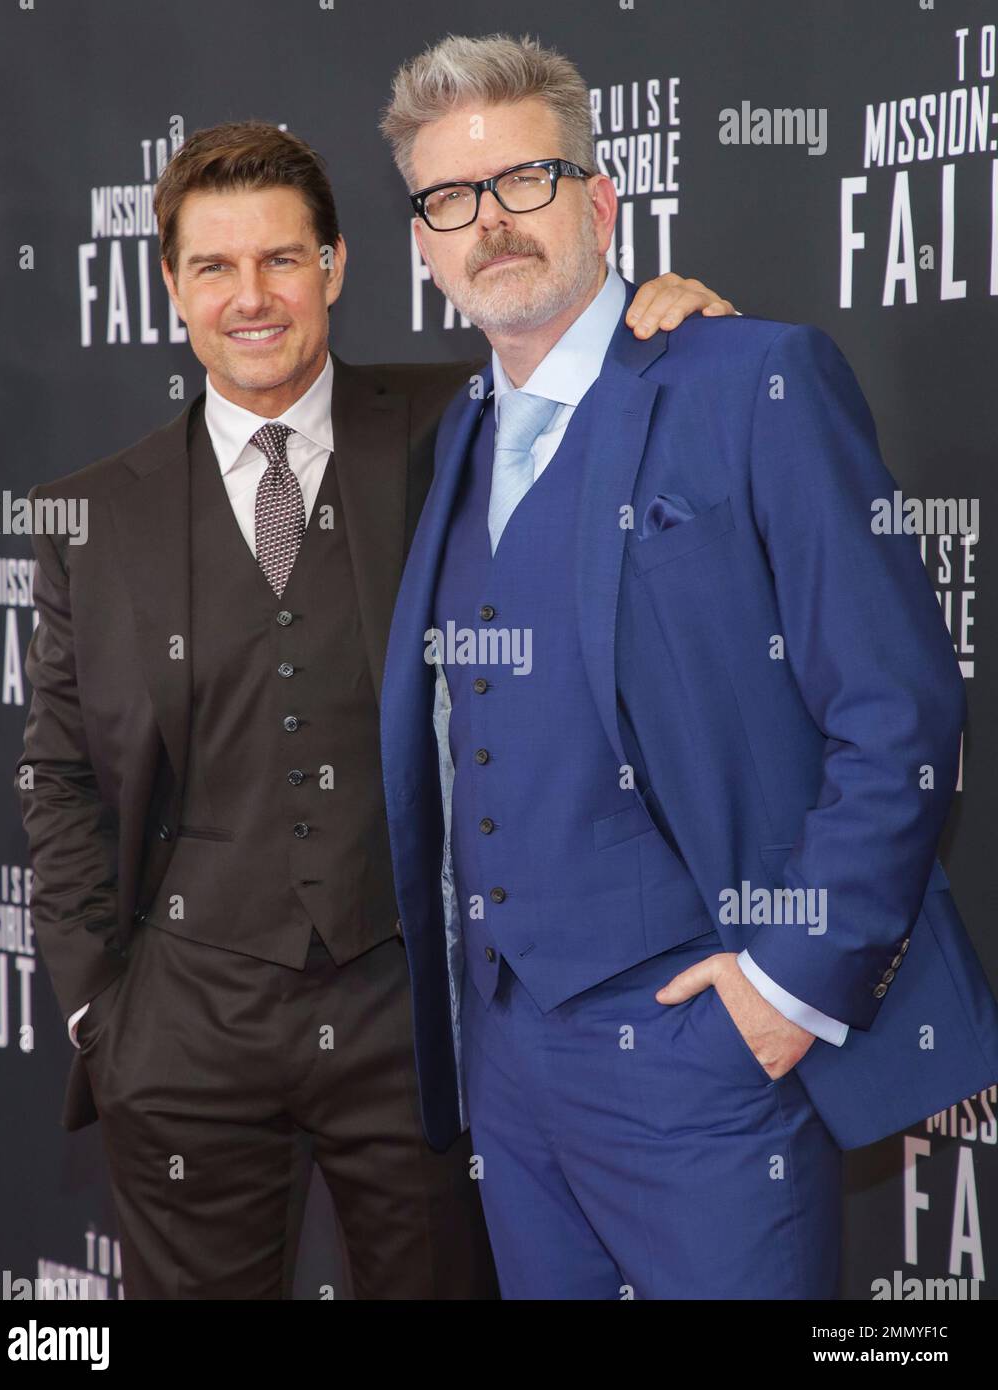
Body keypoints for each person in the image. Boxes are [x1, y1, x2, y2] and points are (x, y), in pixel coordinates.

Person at [13, 115, 736, 1299]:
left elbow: (597, 386)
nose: (253, 296)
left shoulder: (459, 427)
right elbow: (60, 779)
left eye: (282, 259)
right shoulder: (88, 516)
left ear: (336, 267)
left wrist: (673, 321)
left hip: (415, 1015)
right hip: (186, 1026)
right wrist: (105, 1016)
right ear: (170, 288)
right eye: (215, 266)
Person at [378, 31, 998, 1299]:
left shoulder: (749, 380)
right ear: (425, 243)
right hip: (506, 1064)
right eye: (449, 198)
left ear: (601, 201)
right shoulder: (451, 437)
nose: (487, 221)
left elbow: (901, 712)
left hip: (700, 1054)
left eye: (524, 182)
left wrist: (788, 985)